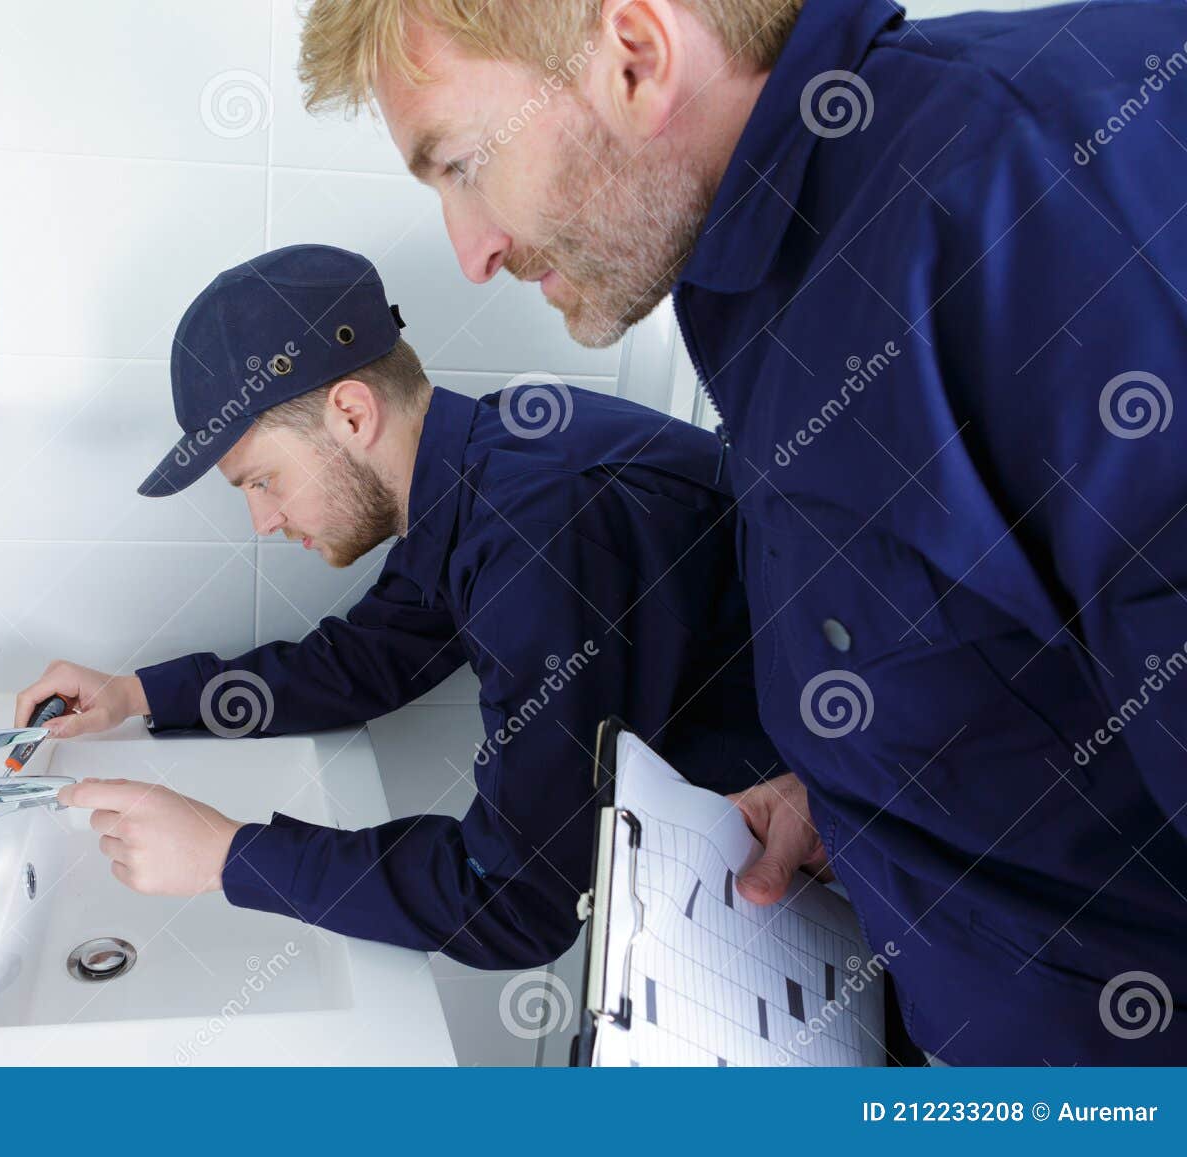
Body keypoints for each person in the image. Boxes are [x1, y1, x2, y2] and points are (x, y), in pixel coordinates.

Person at [295, 0, 1187, 1062]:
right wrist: (864, 795)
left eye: (462, 165)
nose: (471, 249)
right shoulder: (757, 264)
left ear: (635, 56)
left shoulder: (1041, 207)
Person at [19, 243, 780, 969]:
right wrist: (137, 694)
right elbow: (366, 661)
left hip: (826, 877)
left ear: (352, 413)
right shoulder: (490, 459)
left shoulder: (533, 530)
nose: (263, 521)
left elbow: (517, 897)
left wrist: (227, 855)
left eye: (260, 480)